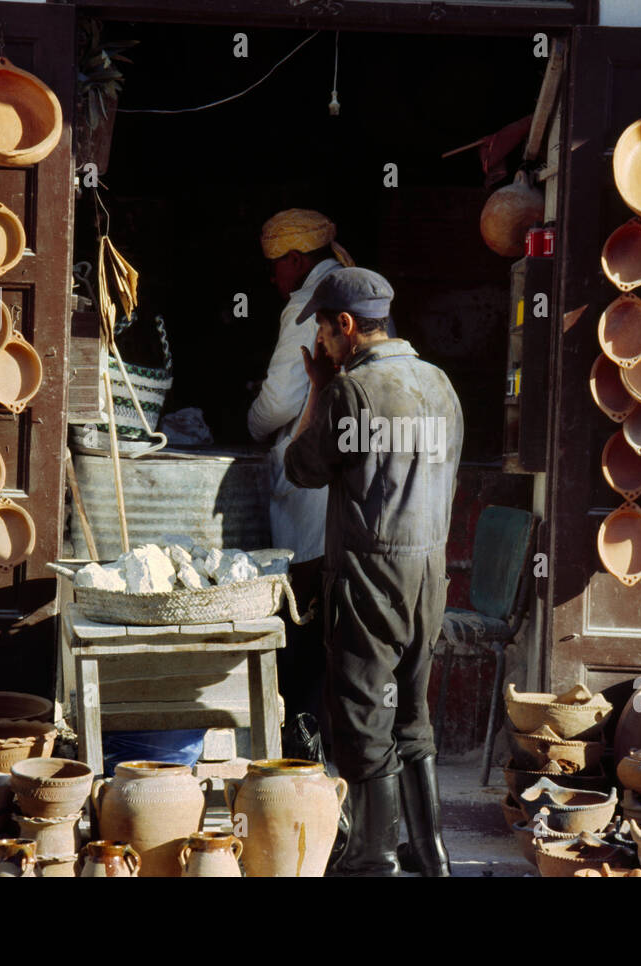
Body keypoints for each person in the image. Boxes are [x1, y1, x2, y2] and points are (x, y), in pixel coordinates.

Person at [284, 267, 463, 877]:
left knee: (363, 713)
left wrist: (316, 390)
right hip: (429, 571)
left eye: (327, 335)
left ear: (348, 326)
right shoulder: (440, 386)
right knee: (411, 713)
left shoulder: (349, 392)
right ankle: (430, 849)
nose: (325, 348)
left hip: (369, 574)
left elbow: (300, 468)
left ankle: (373, 853)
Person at [249, 209, 354, 738]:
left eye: (276, 266)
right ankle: (314, 727)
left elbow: (279, 399)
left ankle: (299, 727)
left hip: (313, 475)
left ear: (295, 258)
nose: (273, 278)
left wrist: (249, 424)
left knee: (303, 600)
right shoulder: (355, 293)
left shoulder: (306, 306)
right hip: (344, 476)